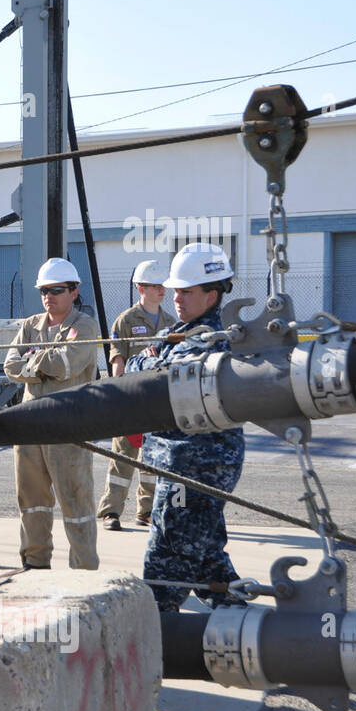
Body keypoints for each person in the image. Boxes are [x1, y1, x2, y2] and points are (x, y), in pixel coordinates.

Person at [127, 242, 244, 611]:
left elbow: (154, 378)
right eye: (176, 290)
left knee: (166, 563)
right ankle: (239, 621)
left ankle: (155, 637)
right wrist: (143, 361)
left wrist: (146, 361)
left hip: (193, 466)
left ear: (212, 294)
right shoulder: (183, 331)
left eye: (187, 291)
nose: (177, 298)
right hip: (178, 462)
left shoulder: (211, 339)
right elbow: (136, 365)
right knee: (206, 555)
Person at [3, 257, 100, 570]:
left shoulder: (84, 326)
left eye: (57, 289)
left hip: (68, 426)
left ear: (74, 292)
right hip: (30, 424)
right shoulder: (31, 325)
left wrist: (34, 361)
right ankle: (35, 563)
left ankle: (84, 571)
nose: (49, 296)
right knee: (32, 502)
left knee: (76, 502)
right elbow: (10, 366)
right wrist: (42, 364)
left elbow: (66, 365)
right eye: (44, 290)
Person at [97, 259, 176, 530]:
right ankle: (111, 511)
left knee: (153, 461)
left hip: (157, 403)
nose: (161, 290)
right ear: (141, 288)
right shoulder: (126, 320)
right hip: (131, 399)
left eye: (163, 285)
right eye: (155, 286)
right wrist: (117, 396)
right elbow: (117, 360)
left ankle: (147, 511)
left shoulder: (171, 322)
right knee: (122, 457)